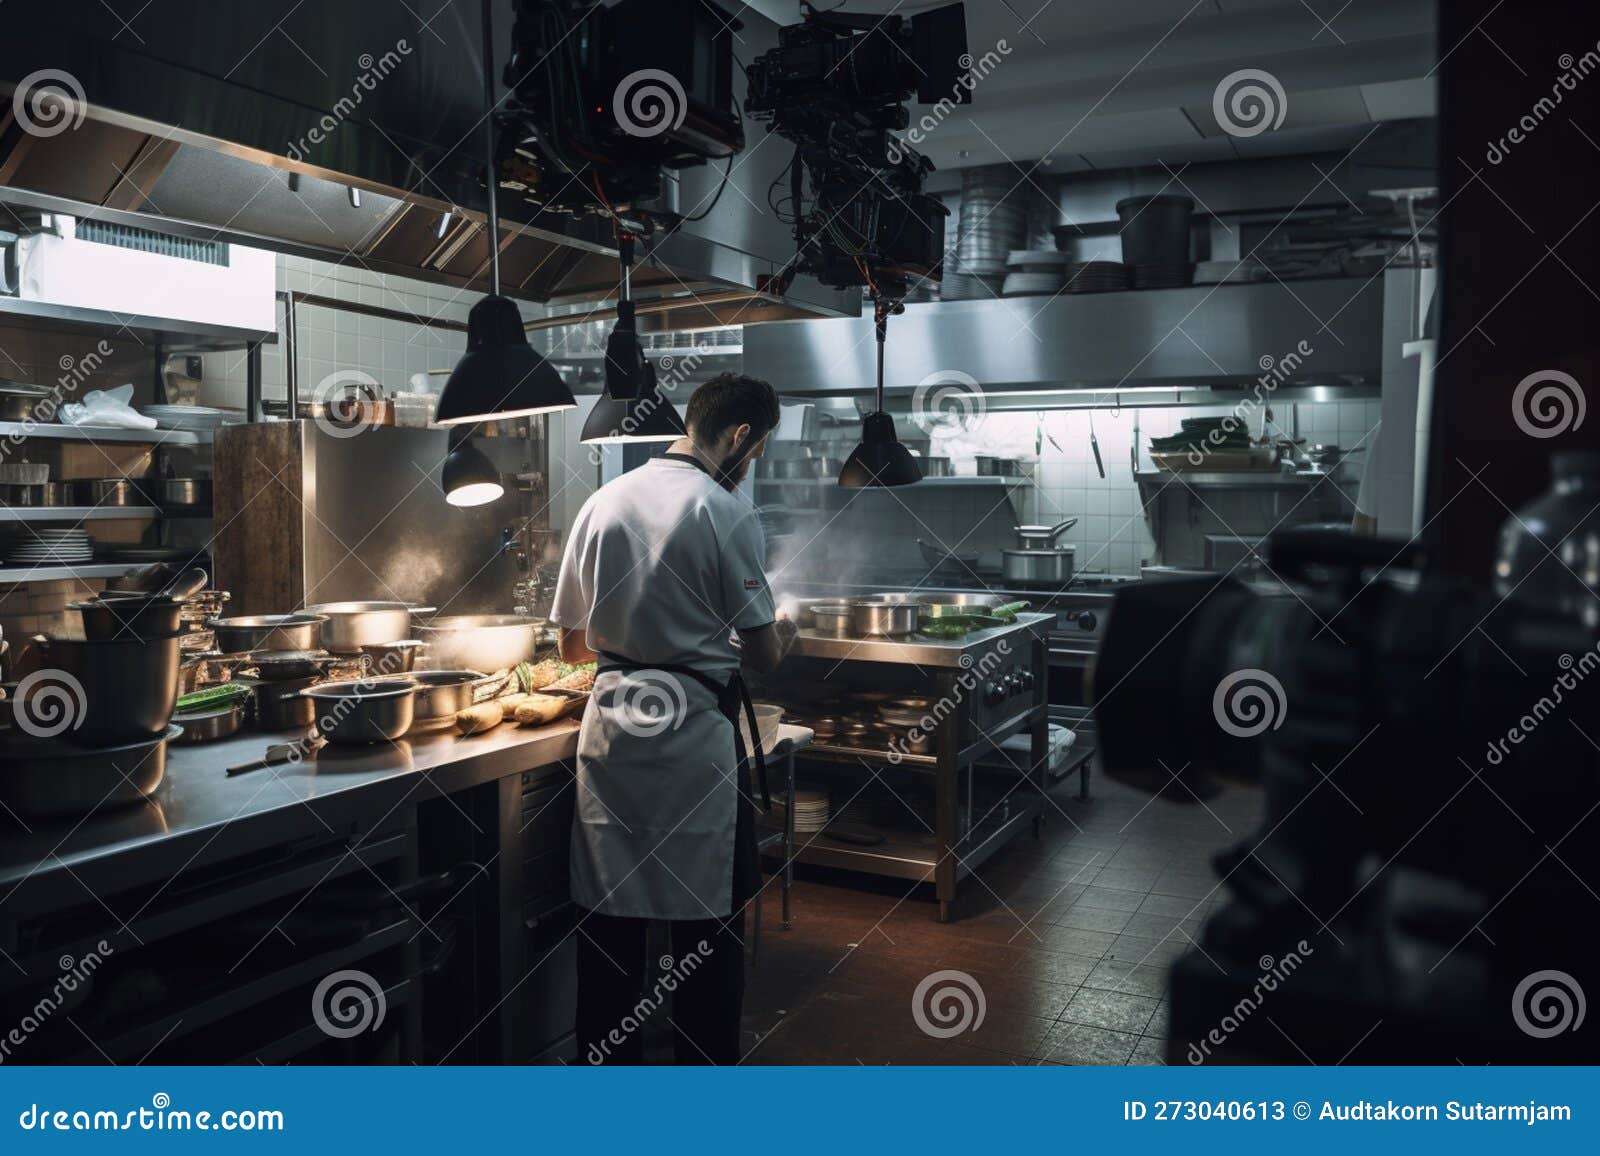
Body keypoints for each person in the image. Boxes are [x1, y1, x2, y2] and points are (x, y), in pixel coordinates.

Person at [550, 372, 797, 1065]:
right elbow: (765, 655)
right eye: (760, 447)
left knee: (608, 924)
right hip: (691, 739)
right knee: (706, 933)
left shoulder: (604, 501)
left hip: (613, 733)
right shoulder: (726, 512)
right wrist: (787, 629)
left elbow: (572, 646)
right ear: (741, 436)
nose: (754, 463)